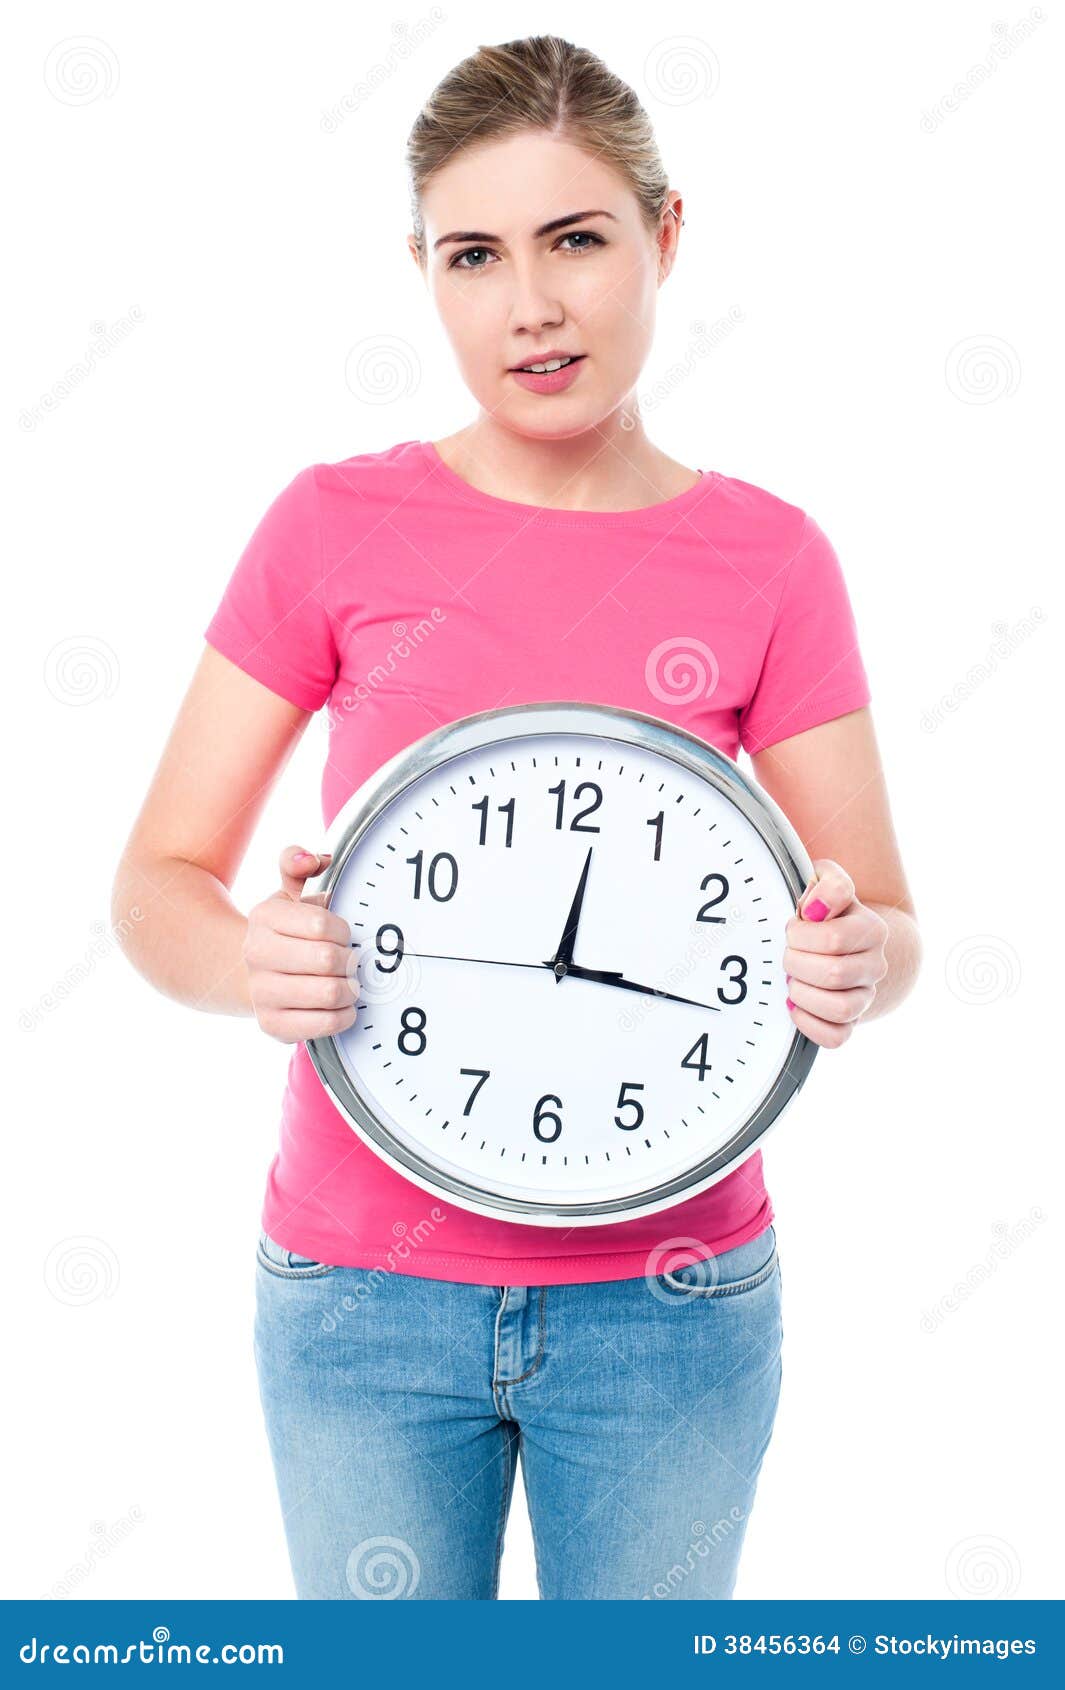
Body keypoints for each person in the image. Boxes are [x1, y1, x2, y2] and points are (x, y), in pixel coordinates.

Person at [112, 35, 921, 1600]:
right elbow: (156, 880)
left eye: (576, 241)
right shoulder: (331, 526)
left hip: (671, 1305)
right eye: (475, 255)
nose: (530, 306)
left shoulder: (766, 559)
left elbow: (882, 918)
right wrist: (246, 963)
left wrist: (853, 956)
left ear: (663, 237)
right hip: (359, 1291)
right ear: (423, 271)